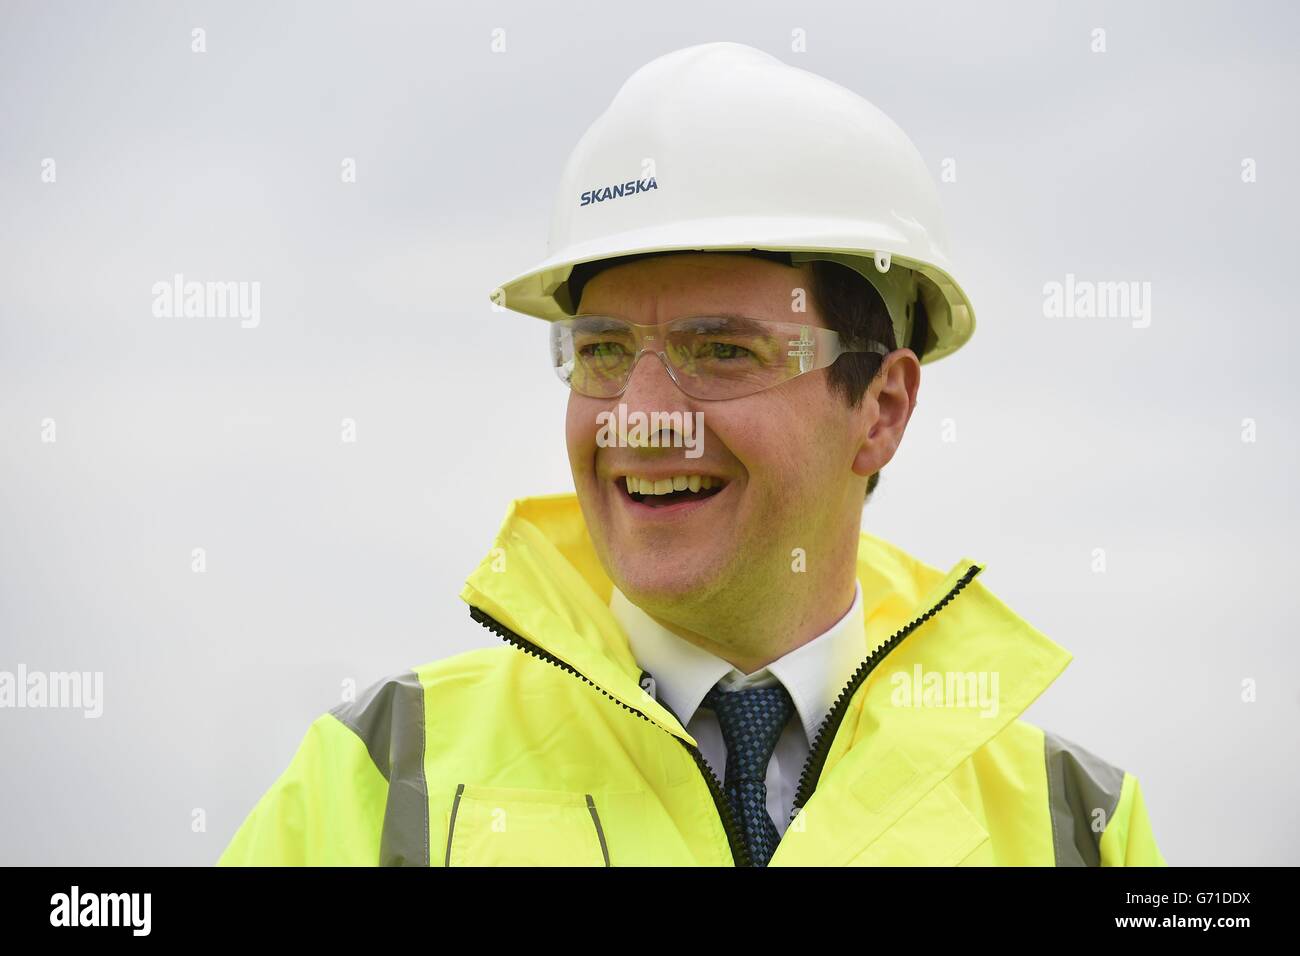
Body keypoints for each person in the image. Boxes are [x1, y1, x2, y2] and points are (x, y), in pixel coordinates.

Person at [218, 41, 1165, 866]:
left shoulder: (1073, 828)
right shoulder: (384, 781)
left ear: (881, 408)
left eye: (722, 351)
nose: (639, 417)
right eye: (602, 352)